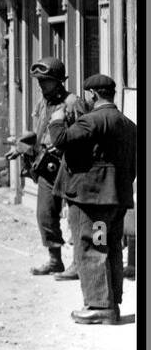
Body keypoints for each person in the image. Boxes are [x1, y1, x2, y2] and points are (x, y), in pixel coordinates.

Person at [50, 74, 137, 325]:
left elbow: (61, 140)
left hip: (92, 202)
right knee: (109, 249)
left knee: (91, 247)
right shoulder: (129, 124)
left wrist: (56, 120)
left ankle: (100, 306)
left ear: (92, 95)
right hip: (116, 199)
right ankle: (111, 303)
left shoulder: (91, 121)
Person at [24, 58, 88, 278]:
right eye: (39, 81)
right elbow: (38, 132)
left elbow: (84, 136)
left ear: (59, 81)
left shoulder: (73, 103)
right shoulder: (42, 102)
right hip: (46, 166)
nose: (42, 85)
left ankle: (78, 264)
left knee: (75, 217)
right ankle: (55, 260)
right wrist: (24, 145)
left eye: (46, 81)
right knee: (45, 214)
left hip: (69, 166)